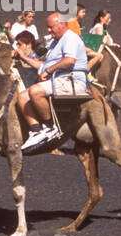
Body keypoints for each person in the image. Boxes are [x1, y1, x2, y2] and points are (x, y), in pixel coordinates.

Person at [20, 12, 89, 152]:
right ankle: (36, 131)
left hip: (72, 81)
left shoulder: (70, 38)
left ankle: (50, 127)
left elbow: (69, 60)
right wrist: (23, 57)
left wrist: (48, 71)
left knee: (35, 91)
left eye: (51, 27)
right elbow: (42, 66)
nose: (48, 30)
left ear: (62, 24)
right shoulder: (56, 42)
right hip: (58, 79)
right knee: (22, 96)